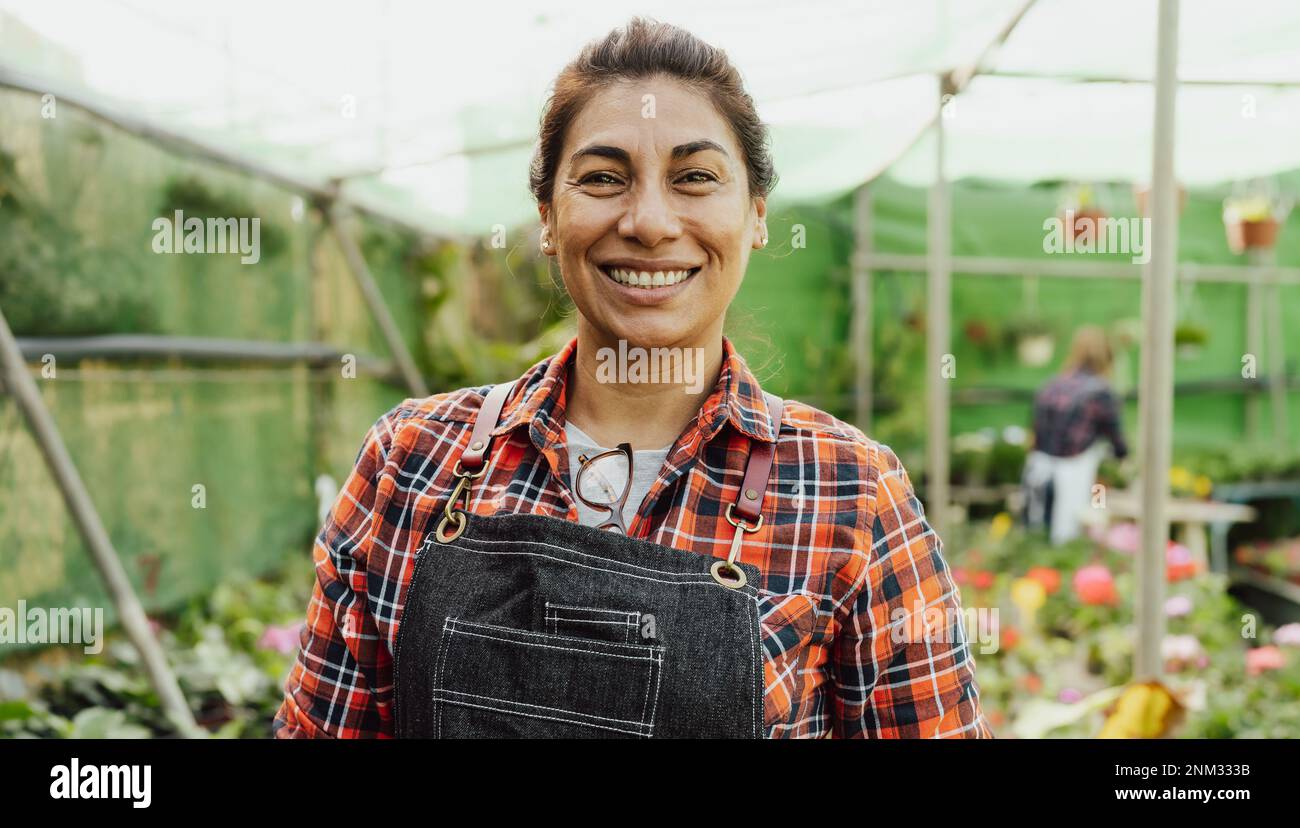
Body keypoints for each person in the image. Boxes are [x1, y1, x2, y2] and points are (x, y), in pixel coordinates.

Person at [273, 17, 989, 739]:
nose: (649, 222)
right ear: (549, 217)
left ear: (756, 216)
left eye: (696, 178)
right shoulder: (412, 459)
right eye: (604, 178)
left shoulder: (850, 493)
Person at [1023, 326, 1130, 545]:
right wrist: (1122, 461)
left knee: (1036, 531)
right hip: (1074, 469)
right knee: (1068, 534)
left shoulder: (1051, 385)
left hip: (1039, 467)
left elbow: (1034, 431)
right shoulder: (1101, 391)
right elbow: (1116, 439)